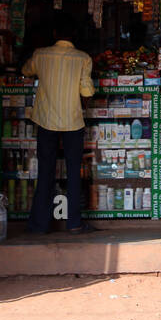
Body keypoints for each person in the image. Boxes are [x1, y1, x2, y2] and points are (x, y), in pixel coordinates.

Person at [22, 20, 94, 234]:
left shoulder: (40, 54)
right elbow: (87, 92)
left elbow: (26, 71)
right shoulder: (83, 58)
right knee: (73, 172)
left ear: (55, 33)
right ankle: (74, 223)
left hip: (46, 121)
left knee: (45, 171)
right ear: (74, 35)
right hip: (72, 121)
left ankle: (39, 225)